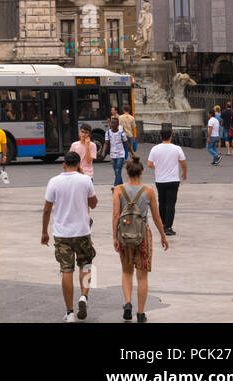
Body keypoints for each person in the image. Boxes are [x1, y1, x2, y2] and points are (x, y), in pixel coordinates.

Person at [41, 150, 98, 321]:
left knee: (66, 270)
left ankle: (70, 312)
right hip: (82, 231)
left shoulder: (54, 182)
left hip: (62, 233)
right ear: (79, 164)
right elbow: (94, 204)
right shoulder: (85, 179)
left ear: (64, 164)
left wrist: (44, 232)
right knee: (86, 265)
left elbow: (46, 209)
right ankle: (84, 296)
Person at [112, 157, 169, 323]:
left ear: (127, 172)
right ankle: (141, 313)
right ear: (141, 172)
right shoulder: (149, 191)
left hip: (124, 235)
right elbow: (157, 216)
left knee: (126, 271)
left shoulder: (118, 190)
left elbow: (116, 214)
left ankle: (128, 303)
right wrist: (163, 236)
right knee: (142, 276)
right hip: (143, 234)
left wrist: (115, 236)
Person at [146, 124, 186, 237]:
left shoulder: (155, 149)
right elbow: (183, 163)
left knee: (162, 203)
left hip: (160, 180)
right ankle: (168, 227)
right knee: (171, 204)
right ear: (171, 136)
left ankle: (162, 224)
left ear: (160, 136)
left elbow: (149, 164)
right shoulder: (177, 148)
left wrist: (157, 167)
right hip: (173, 180)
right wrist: (184, 173)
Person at [106, 116, 131, 187]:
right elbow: (106, 143)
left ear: (117, 125)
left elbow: (127, 143)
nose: (112, 124)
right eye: (111, 123)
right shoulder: (108, 133)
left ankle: (115, 186)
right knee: (117, 172)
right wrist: (103, 152)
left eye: (114, 123)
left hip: (120, 154)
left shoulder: (122, 133)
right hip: (112, 154)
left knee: (117, 170)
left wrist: (132, 153)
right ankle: (121, 185)